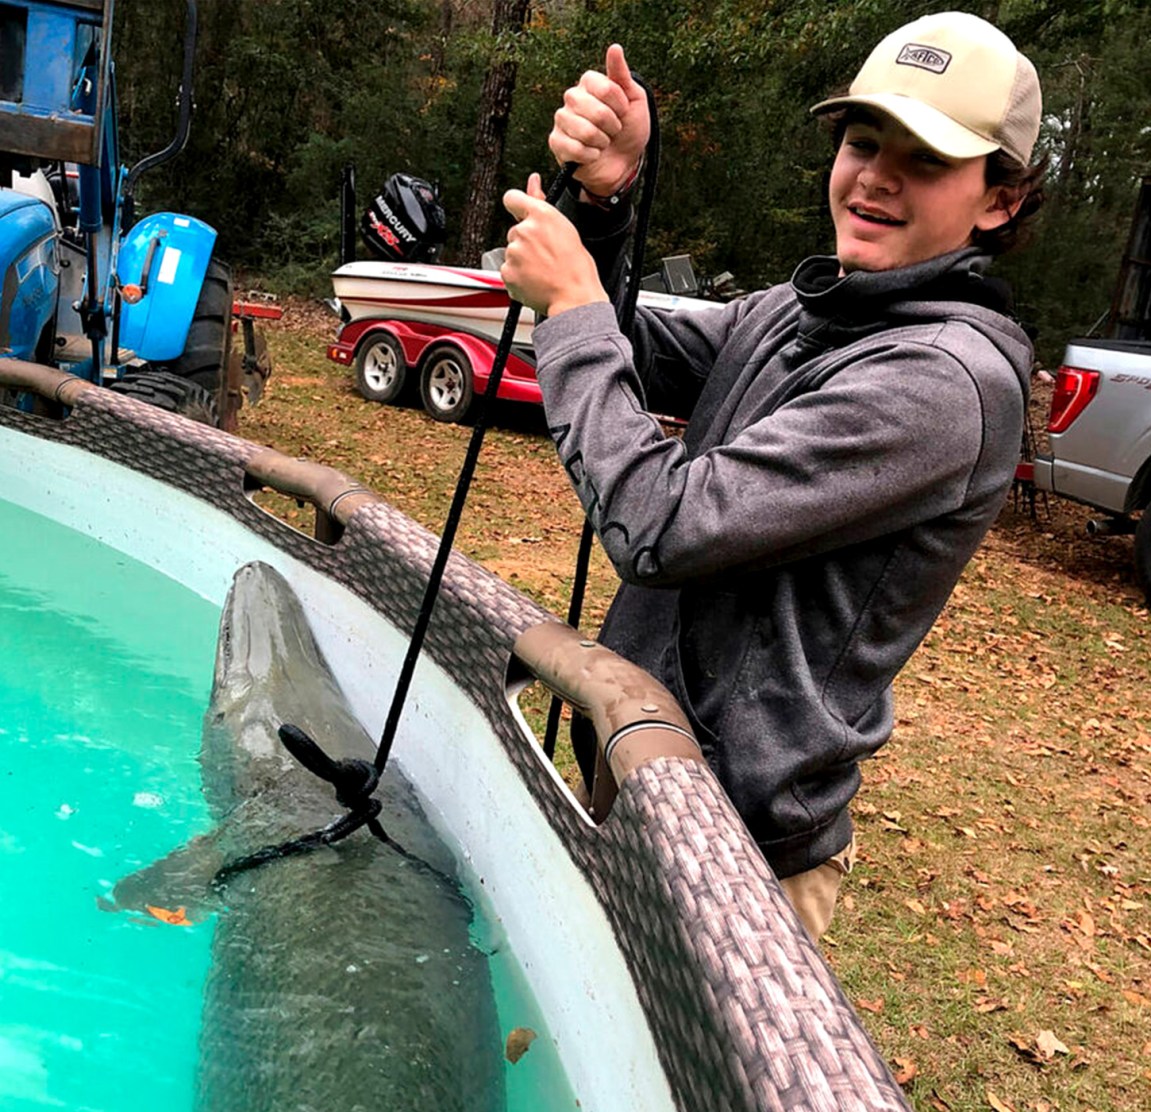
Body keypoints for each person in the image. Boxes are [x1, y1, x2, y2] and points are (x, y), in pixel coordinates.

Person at [501, 12, 1045, 940]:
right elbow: (628, 345)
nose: (874, 176)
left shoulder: (941, 382)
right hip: (641, 783)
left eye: (923, 158)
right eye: (862, 141)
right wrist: (604, 203)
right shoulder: (808, 310)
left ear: (999, 200)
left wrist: (573, 301)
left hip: (738, 855)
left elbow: (659, 528)